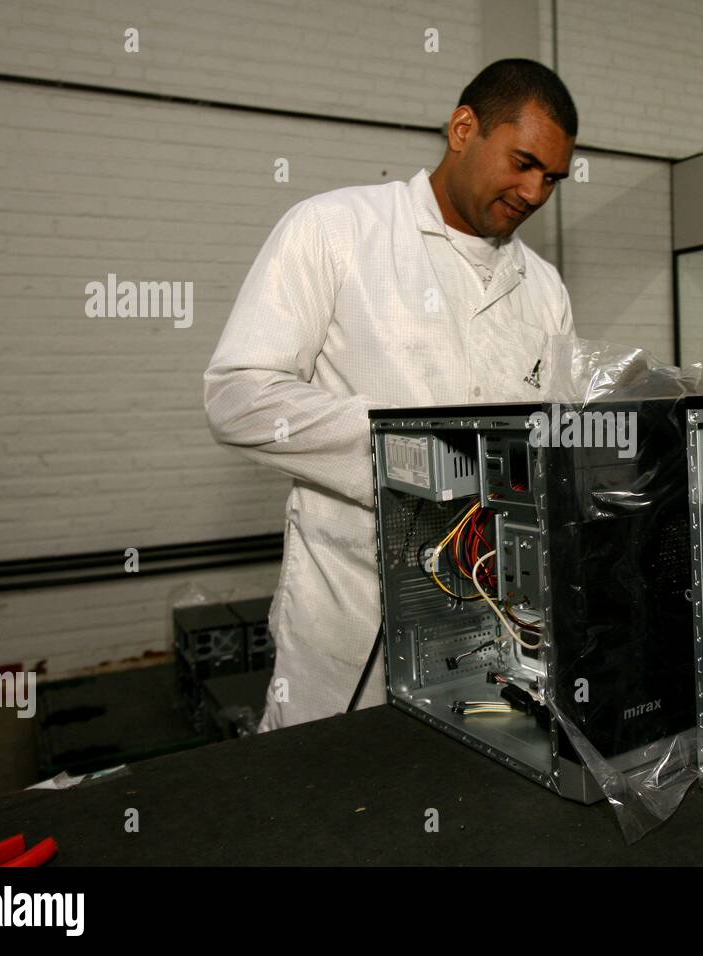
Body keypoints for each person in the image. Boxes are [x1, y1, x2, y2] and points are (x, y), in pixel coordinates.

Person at [204, 59, 577, 730]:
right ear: (463, 128)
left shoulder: (543, 287)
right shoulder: (335, 230)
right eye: (522, 163)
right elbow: (238, 397)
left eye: (551, 178)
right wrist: (413, 448)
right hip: (350, 621)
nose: (533, 192)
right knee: (329, 801)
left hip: (494, 622)